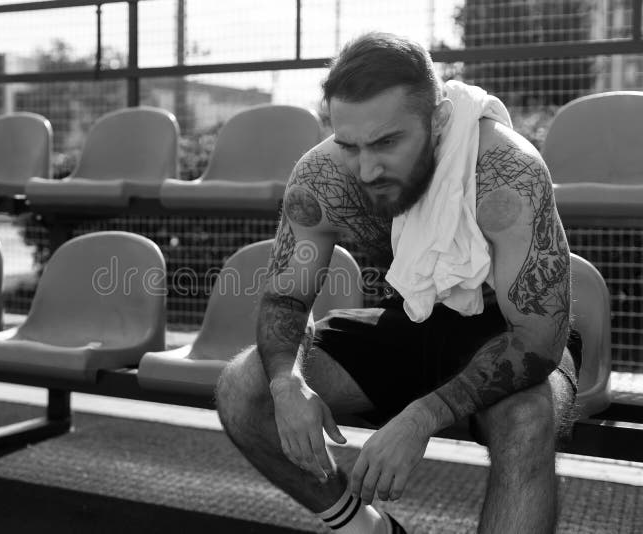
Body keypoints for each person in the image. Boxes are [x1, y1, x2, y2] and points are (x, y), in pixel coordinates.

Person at [215, 32, 580, 534]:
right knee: (243, 387)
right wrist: (286, 382)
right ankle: (366, 528)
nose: (366, 168)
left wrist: (422, 416)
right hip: (409, 317)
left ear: (439, 121)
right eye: (350, 145)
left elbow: (540, 340)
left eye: (387, 142)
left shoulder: (507, 174)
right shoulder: (321, 179)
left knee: (526, 423)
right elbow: (287, 295)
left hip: (505, 332)